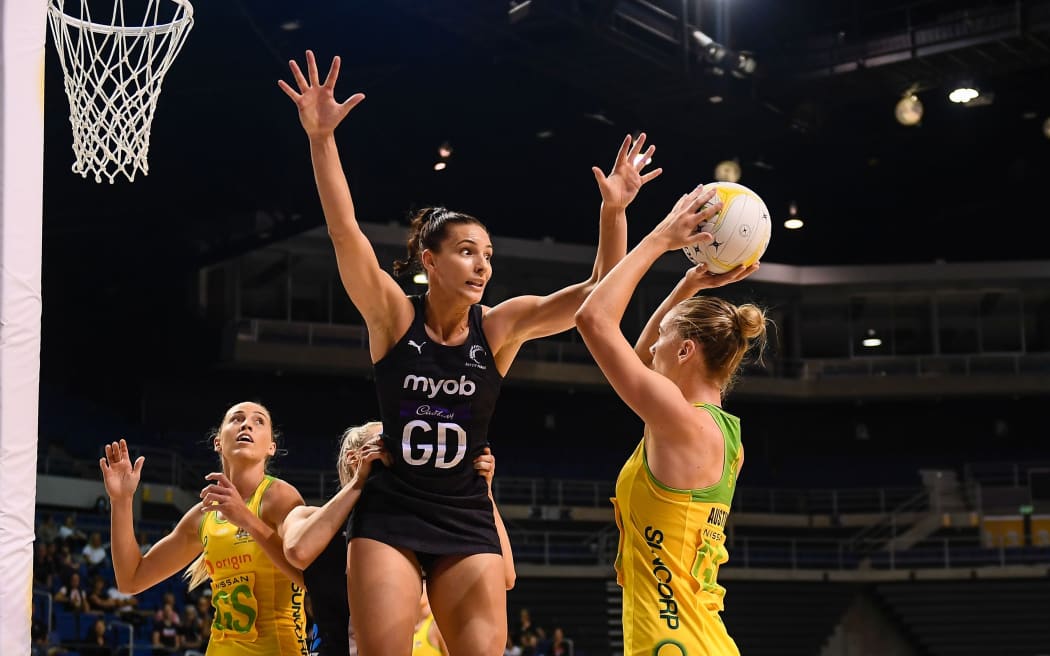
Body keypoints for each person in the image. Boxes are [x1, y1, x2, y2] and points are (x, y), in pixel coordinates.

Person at [278, 49, 658, 656]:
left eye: (487, 255)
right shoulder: (393, 316)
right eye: (466, 252)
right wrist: (322, 140)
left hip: (465, 515)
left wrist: (614, 211)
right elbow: (345, 232)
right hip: (391, 511)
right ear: (429, 261)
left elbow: (597, 293)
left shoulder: (500, 326)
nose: (482, 264)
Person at [575, 185, 767, 656]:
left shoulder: (681, 423)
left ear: (685, 351)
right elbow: (638, 363)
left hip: (676, 645)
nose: (653, 344)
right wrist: (688, 287)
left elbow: (593, 319)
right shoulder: (719, 435)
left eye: (663, 336)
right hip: (699, 641)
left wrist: (663, 237)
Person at [280, 422, 516, 655]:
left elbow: (505, 576)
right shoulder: (310, 516)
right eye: (386, 449)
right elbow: (298, 551)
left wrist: (482, 494)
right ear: (355, 458)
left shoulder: (411, 527)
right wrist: (357, 482)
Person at [99, 401, 308, 655]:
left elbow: (310, 579)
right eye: (237, 418)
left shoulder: (280, 497)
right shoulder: (202, 516)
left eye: (258, 421)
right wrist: (121, 501)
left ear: (271, 448)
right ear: (218, 441)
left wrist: (247, 520)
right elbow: (131, 579)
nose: (246, 424)